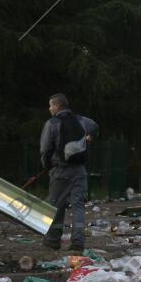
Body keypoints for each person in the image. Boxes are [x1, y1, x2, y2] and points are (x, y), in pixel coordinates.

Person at [38, 93, 98, 252]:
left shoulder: (52, 123)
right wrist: (90, 137)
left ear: (57, 106)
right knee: (78, 206)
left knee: (57, 205)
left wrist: (46, 166)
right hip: (79, 170)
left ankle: (53, 240)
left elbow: (45, 149)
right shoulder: (81, 120)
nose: (49, 108)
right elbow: (94, 126)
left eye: (51, 105)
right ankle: (78, 241)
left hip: (60, 170)